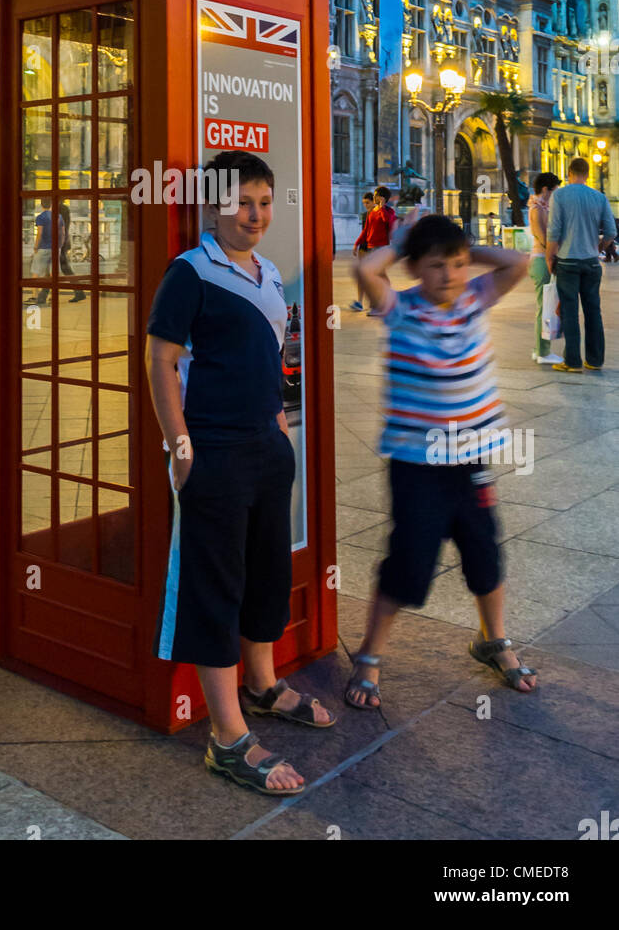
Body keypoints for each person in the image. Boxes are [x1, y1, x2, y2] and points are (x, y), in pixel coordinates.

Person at [145, 151, 334, 797]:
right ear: (213, 208)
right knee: (215, 583)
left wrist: (279, 422)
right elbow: (161, 361)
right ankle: (225, 737)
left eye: (262, 202)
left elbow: (271, 353)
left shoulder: (269, 272)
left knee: (264, 574)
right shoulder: (191, 273)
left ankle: (261, 685)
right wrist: (179, 445)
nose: (253, 215)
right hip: (214, 450)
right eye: (240, 203)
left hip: (264, 445)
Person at [346, 215, 537, 711]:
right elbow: (367, 270)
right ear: (413, 270)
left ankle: (494, 640)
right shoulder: (400, 308)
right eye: (436, 266)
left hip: (471, 462)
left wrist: (464, 250)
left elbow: (521, 260)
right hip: (417, 467)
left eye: (457, 265)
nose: (450, 275)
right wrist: (402, 242)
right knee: (408, 564)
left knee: (485, 555)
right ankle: (370, 654)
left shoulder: (475, 297)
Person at [546, 156, 615, 372]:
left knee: (569, 311)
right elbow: (611, 232)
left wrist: (550, 258)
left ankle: (572, 361)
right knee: (593, 310)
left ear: (569, 172)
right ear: (587, 174)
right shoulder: (599, 197)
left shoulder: (560, 196)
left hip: (567, 261)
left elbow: (554, 232)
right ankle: (595, 360)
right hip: (591, 263)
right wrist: (599, 248)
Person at [527, 172, 562, 365]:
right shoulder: (538, 209)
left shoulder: (539, 207)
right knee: (545, 308)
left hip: (540, 259)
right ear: (545, 190)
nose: (555, 194)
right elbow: (541, 236)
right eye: (554, 190)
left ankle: (538, 349)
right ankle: (543, 352)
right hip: (542, 260)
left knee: (543, 306)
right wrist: (553, 255)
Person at [351, 186, 393, 315]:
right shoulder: (372, 212)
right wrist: (357, 243)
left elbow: (387, 221)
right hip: (371, 247)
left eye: (375, 195)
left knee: (377, 274)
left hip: (381, 247)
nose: (373, 197)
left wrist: (382, 207)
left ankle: (381, 303)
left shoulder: (388, 211)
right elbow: (366, 230)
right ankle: (382, 301)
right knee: (374, 274)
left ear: (381, 198)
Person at [29, 197, 64, 306]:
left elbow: (39, 233)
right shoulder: (59, 216)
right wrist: (60, 245)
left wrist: (35, 247)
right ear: (51, 205)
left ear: (41, 205)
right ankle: (53, 296)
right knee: (54, 273)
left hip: (43, 248)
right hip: (55, 248)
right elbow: (63, 233)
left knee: (36, 271)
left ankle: (35, 295)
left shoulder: (40, 217)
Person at [349, 191, 374, 310]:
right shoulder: (364, 215)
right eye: (364, 203)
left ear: (374, 202)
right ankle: (359, 301)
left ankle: (374, 302)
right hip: (364, 247)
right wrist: (357, 244)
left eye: (367, 203)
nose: (365, 205)